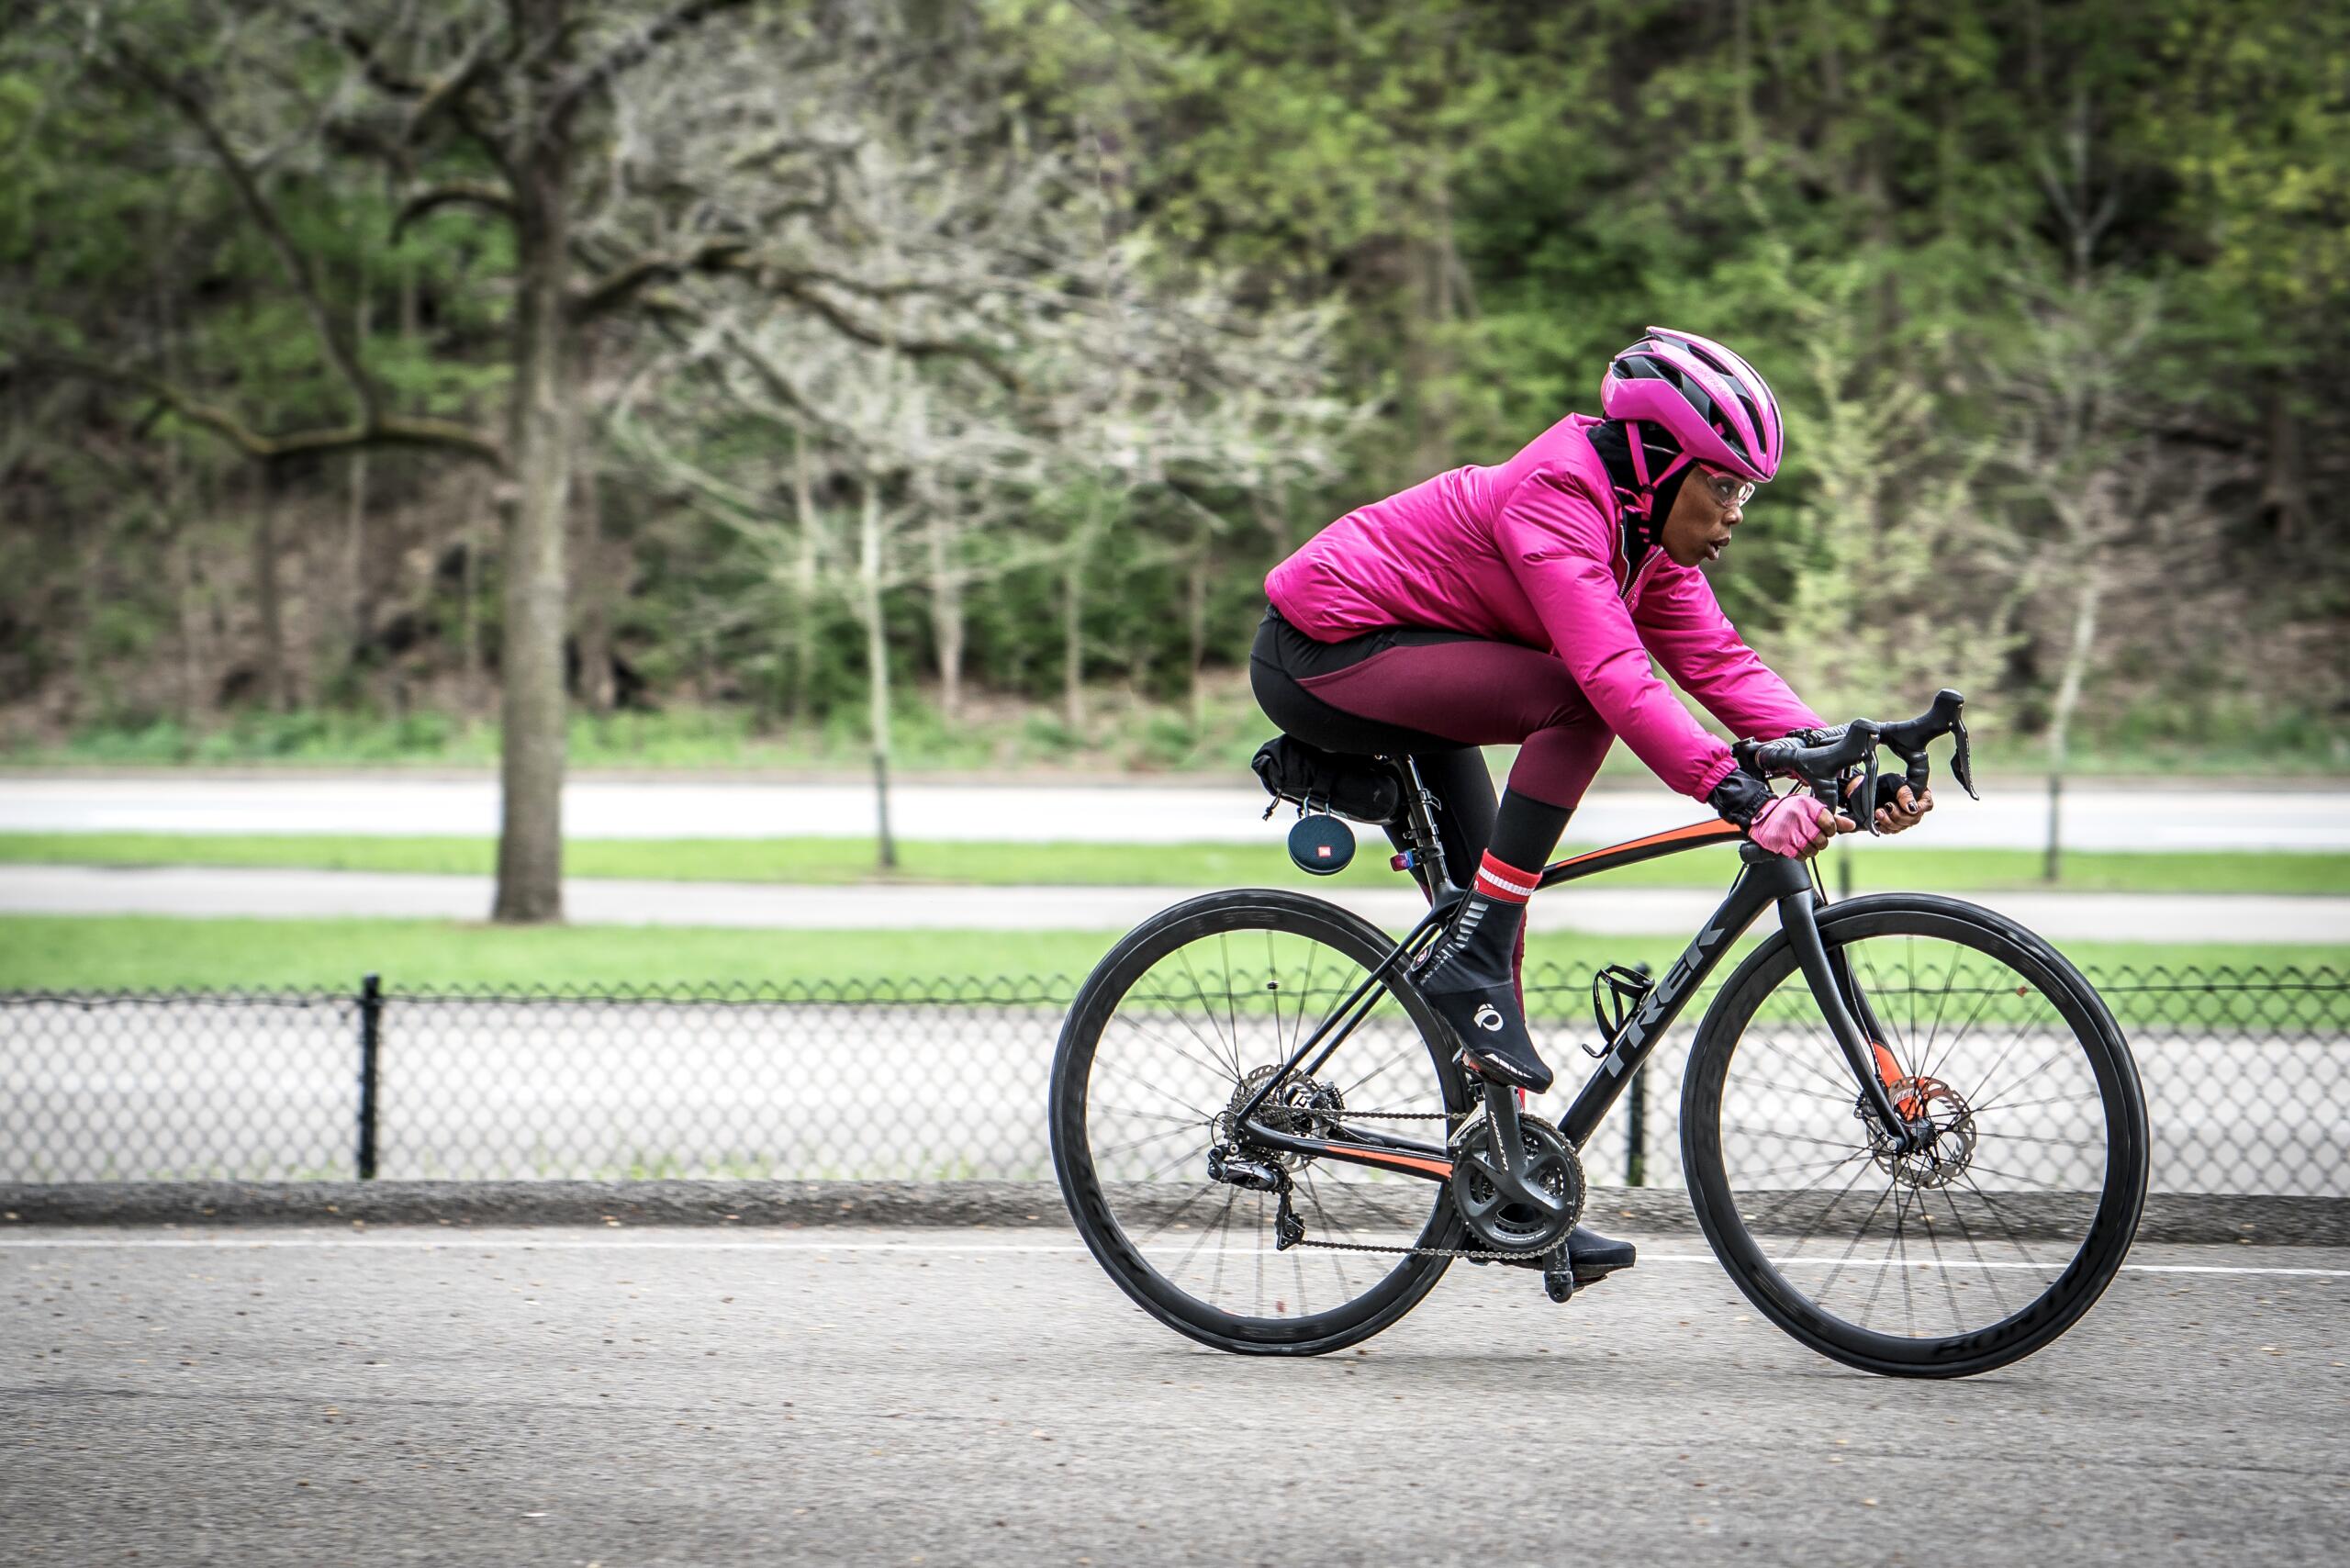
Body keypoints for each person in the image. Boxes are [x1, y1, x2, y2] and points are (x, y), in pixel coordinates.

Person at [1250, 326, 1932, 1276]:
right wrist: (1737, 795)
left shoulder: (1643, 539)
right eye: (1725, 485)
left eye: (1746, 492)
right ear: (1662, 464)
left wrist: (1846, 769)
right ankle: (1476, 954)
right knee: (1567, 719)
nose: (1736, 512)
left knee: (1494, 914)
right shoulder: (1559, 495)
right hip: (1323, 650)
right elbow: (1614, 677)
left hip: (1414, 658)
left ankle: (1505, 1190)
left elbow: (1719, 666)